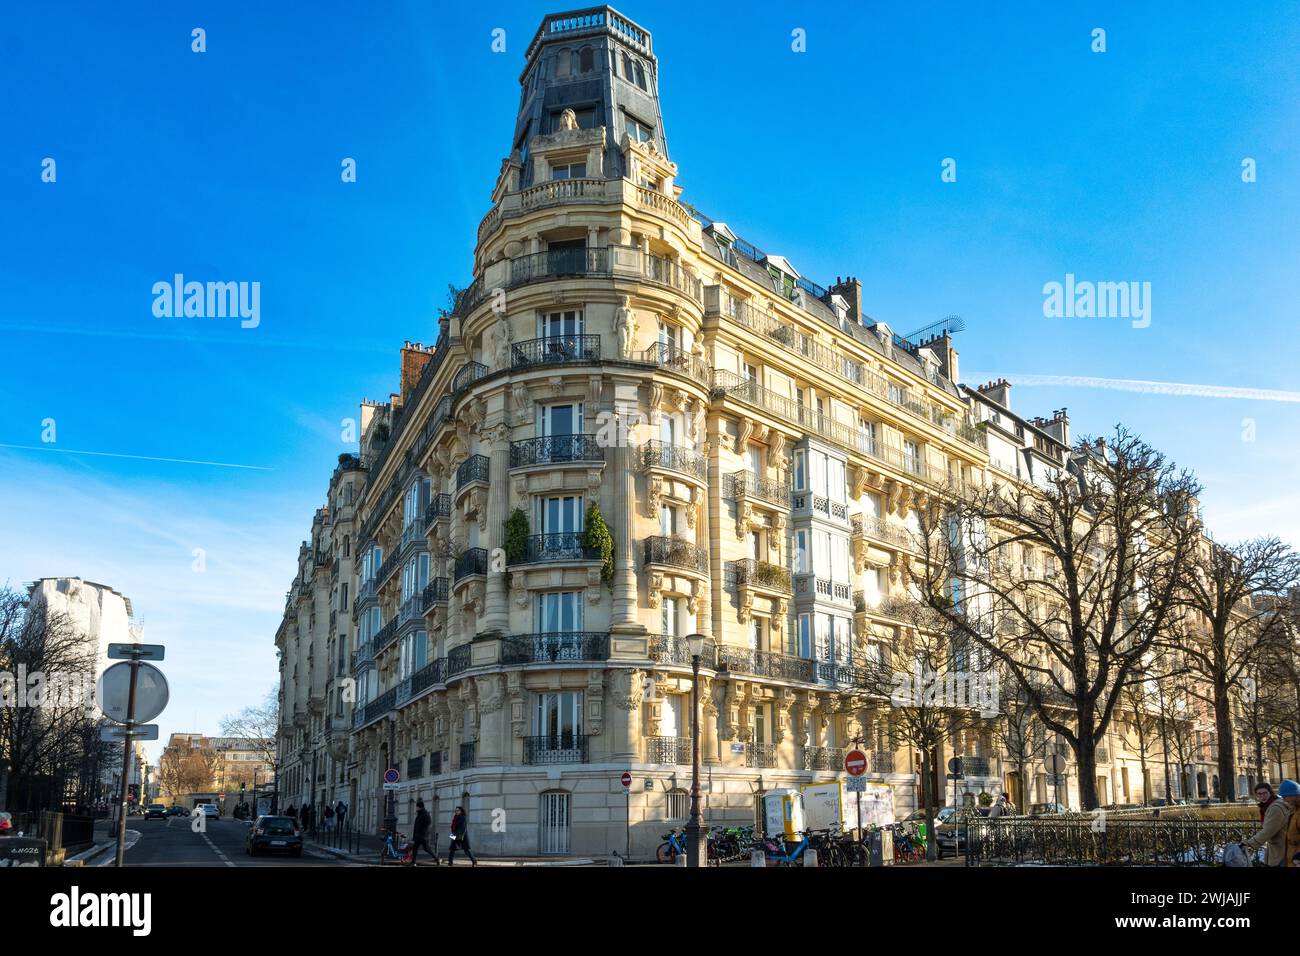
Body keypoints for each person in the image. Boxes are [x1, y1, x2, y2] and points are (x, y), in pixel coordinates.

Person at [1245, 780, 1294, 866]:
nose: (1262, 796)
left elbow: (1268, 830)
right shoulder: (1268, 806)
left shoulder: (1275, 808)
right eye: (1259, 794)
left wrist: (1250, 843)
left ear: (1270, 793)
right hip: (1279, 847)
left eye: (1265, 793)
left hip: (1282, 849)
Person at [410, 799, 436, 866]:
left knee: (426, 849)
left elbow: (429, 822)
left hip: (422, 835)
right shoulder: (420, 814)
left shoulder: (425, 814)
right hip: (419, 835)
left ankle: (436, 858)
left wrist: (424, 831)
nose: (416, 808)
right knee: (416, 849)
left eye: (416, 807)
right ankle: (413, 862)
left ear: (419, 807)